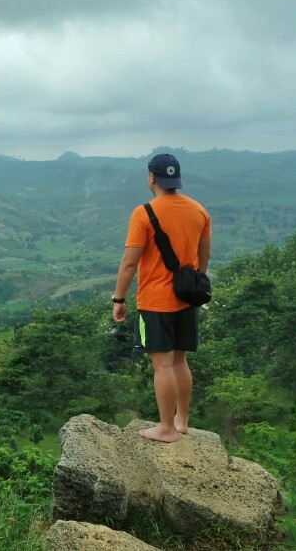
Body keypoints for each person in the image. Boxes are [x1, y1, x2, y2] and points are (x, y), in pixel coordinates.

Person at [112, 153, 212, 443]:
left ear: (152, 178)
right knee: (180, 361)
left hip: (155, 302)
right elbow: (203, 257)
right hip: (186, 299)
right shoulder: (199, 211)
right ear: (176, 178)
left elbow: (130, 263)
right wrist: (191, 284)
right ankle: (182, 420)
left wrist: (119, 299)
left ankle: (166, 429)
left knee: (163, 365)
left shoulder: (144, 213)